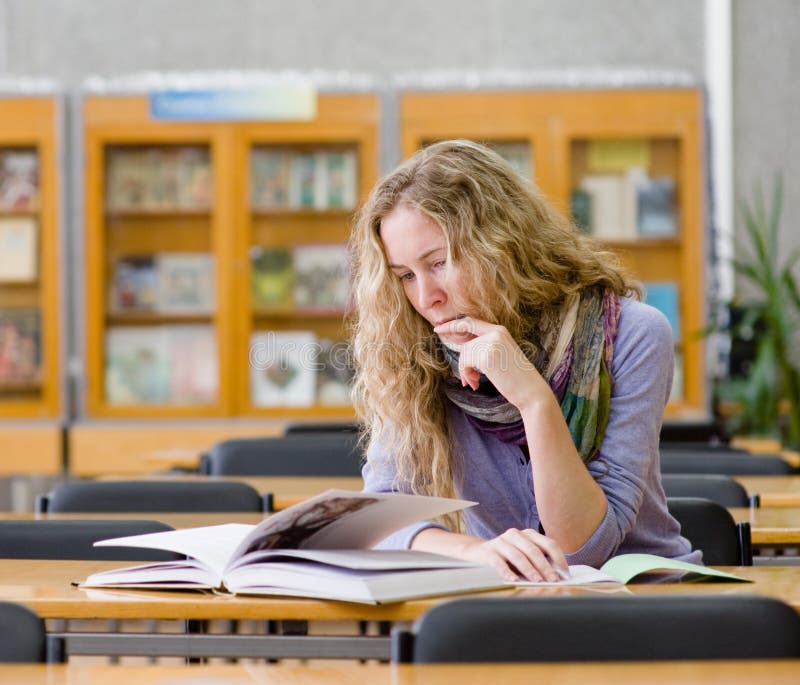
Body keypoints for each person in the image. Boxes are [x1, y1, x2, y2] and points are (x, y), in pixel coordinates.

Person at [350, 139, 699, 583]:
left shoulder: (632, 334)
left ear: (503, 246)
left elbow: (583, 547)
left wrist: (533, 399)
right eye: (404, 276)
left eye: (438, 263)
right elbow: (378, 517)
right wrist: (477, 552)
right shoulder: (416, 351)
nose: (425, 297)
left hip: (645, 598)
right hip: (514, 599)